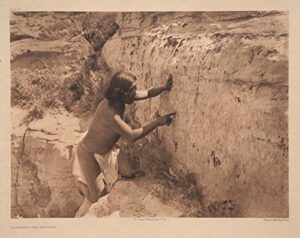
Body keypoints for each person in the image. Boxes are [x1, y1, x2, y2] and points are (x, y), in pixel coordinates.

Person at [72, 71, 175, 217]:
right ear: (122, 94)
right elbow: (132, 136)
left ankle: (93, 181)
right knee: (98, 199)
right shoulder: (110, 113)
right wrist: (158, 122)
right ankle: (82, 189)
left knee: (128, 174)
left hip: (106, 149)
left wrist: (164, 87)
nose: (135, 92)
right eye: (132, 89)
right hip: (88, 153)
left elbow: (146, 93)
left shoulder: (120, 100)